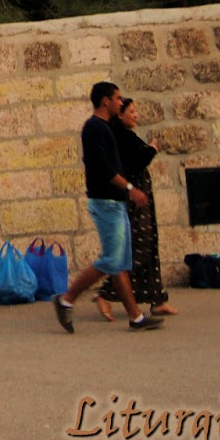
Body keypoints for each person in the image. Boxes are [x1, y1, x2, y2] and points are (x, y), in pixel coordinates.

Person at [52, 82, 163, 333]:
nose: (121, 103)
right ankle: (66, 298)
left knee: (120, 262)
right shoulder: (94, 128)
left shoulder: (105, 128)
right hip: (105, 202)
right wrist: (130, 189)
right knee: (112, 259)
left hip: (115, 202)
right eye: (118, 98)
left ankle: (135, 317)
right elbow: (101, 166)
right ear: (105, 101)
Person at [93, 97, 177, 319]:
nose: (135, 115)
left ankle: (157, 299)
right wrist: (151, 150)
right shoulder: (121, 137)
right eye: (131, 111)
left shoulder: (126, 136)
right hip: (133, 196)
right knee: (139, 247)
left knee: (149, 245)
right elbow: (136, 162)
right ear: (119, 115)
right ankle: (106, 293)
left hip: (140, 194)